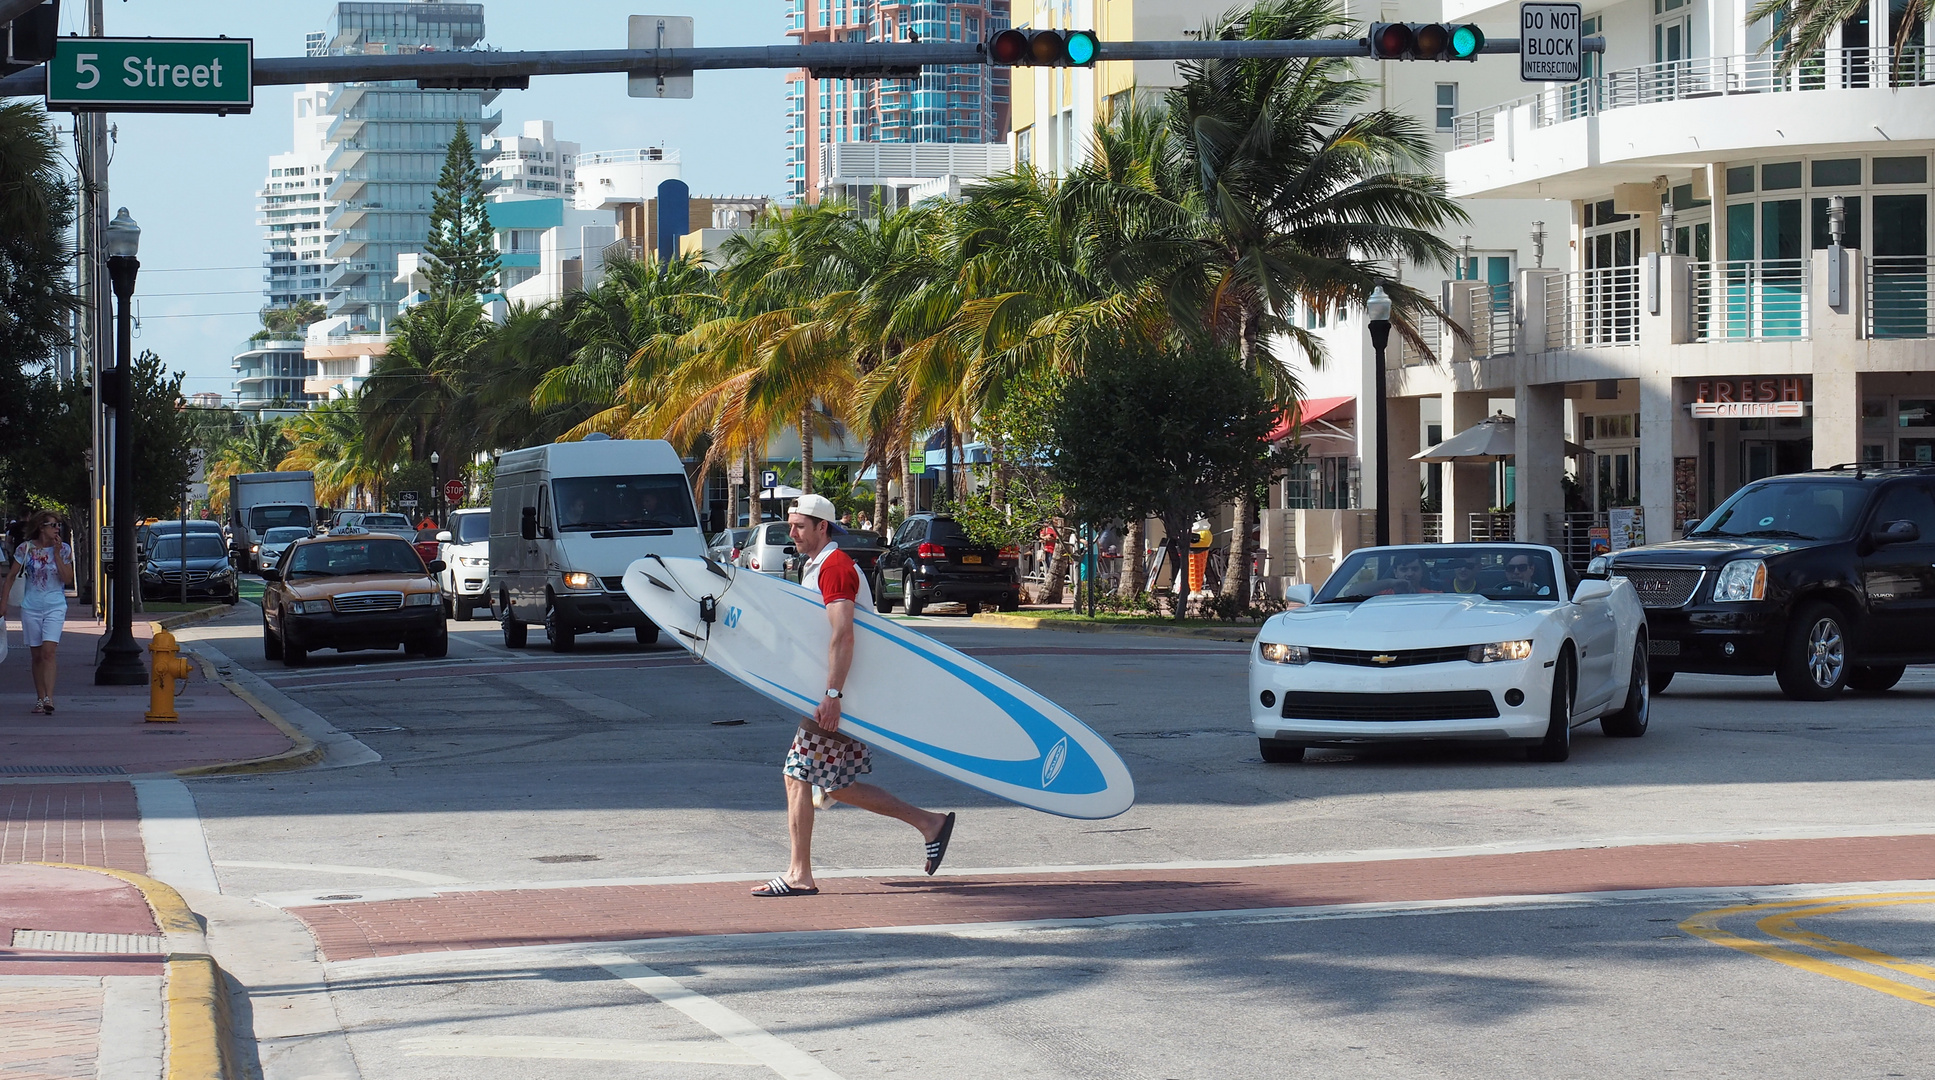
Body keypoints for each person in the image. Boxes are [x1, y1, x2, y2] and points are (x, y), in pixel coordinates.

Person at [753, 493, 955, 898]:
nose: (791, 533)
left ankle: (799, 875)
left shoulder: (836, 568)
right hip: (843, 691)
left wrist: (833, 693)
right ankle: (930, 823)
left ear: (821, 527)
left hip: (840, 692)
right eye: (791, 525)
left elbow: (844, 633)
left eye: (798, 527)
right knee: (836, 786)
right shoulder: (816, 566)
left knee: (796, 775)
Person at [2, 511, 76, 714]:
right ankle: (39, 697)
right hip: (31, 607)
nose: (56, 529)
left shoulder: (64, 549)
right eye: (52, 525)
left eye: (58, 525)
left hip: (55, 605)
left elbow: (67, 579)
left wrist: (59, 552)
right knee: (36, 656)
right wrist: (3, 604)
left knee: (48, 652)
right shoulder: (25, 548)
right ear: (41, 527)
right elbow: (10, 577)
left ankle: (49, 698)